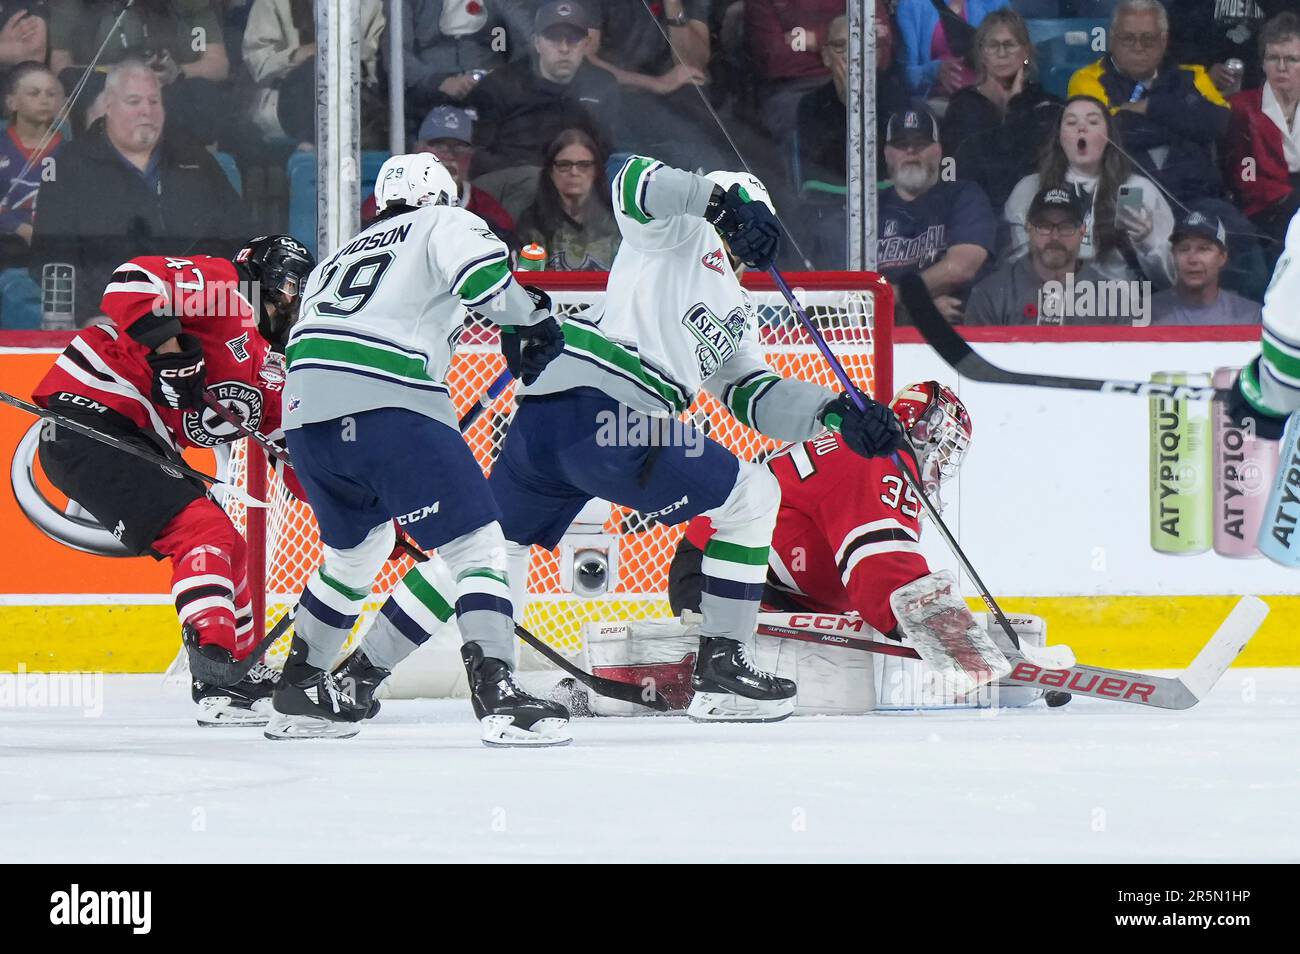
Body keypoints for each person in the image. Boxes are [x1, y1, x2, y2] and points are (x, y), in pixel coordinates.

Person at [488, 156, 906, 724]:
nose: (741, 251)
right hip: (618, 409)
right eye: (743, 230)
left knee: (489, 540)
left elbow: (753, 395)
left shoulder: (735, 308)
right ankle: (723, 670)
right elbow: (632, 178)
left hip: (562, 415)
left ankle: (395, 671)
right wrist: (724, 206)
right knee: (754, 497)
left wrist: (835, 414)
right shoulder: (676, 229)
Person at [268, 153, 570, 745]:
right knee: (479, 544)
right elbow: (484, 283)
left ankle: (300, 692)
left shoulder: (337, 257)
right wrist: (531, 317)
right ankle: (499, 697)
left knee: (356, 554)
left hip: (306, 414)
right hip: (389, 401)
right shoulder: (445, 223)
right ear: (444, 195)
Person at [30, 235, 316, 726]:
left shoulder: (273, 369)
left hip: (137, 440)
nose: (296, 302)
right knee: (202, 532)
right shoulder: (232, 288)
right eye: (294, 287)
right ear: (273, 279)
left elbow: (292, 455)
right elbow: (131, 281)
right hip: (91, 416)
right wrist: (169, 347)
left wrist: (363, 520)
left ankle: (242, 669)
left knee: (228, 543)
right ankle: (216, 677)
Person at [28, 61, 247, 325]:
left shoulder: (194, 159)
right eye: (133, 102)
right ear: (109, 106)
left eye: (154, 102)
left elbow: (237, 237)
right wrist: (88, 315)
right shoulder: (70, 165)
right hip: (108, 320)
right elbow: (52, 257)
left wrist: (214, 303)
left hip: (194, 317)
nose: (146, 111)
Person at [468, 0, 620, 222]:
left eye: (574, 39)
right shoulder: (501, 84)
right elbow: (477, 154)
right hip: (510, 181)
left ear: (586, 43)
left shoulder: (602, 85)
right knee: (533, 184)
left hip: (576, 180)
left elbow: (608, 150)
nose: (564, 48)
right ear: (537, 42)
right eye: (553, 38)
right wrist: (541, 175)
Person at [1066, 0, 1230, 205]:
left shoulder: (1193, 75)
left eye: (1148, 39)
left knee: (1239, 233)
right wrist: (1184, 122)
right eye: (1128, 38)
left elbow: (1220, 123)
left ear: (1163, 40)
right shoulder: (1087, 79)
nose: (1138, 47)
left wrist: (1149, 107)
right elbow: (1107, 133)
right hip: (1123, 193)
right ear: (1112, 38)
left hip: (1196, 195)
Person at [1004, 95, 1176, 289]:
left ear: (1109, 136)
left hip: (1118, 305)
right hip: (1050, 300)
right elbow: (1016, 270)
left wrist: (1147, 242)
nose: (1082, 128)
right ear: (1059, 138)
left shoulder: (1138, 190)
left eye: (1093, 121)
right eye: (1071, 122)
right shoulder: (1030, 188)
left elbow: (1171, 281)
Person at [49, 0, 234, 146]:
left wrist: (178, 71)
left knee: (200, 94)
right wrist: (120, 74)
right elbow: (60, 65)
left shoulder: (187, 6)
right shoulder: (75, 6)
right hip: (100, 84)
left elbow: (218, 65)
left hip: (169, 89)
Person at [876, 107, 998, 320]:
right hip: (883, 336)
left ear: (939, 151)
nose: (911, 151)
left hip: (955, 332)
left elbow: (961, 267)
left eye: (921, 143)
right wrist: (919, 306)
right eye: (901, 144)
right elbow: (855, 293)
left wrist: (892, 298)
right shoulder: (870, 206)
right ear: (887, 154)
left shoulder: (964, 195)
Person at [584, 0, 729, 169]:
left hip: (674, 98)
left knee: (702, 153)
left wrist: (673, 5)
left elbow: (692, 62)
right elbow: (586, 59)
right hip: (616, 95)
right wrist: (656, 83)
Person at [943, 8, 1061, 212]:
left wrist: (1017, 105)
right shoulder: (963, 106)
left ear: (1025, 52)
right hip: (977, 210)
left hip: (1035, 211)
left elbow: (1032, 167)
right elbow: (967, 170)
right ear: (981, 53)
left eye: (1009, 45)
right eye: (993, 45)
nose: (1001, 53)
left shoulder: (1045, 105)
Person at [361, 105, 517, 249]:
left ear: (471, 155)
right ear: (418, 150)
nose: (449, 154)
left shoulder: (489, 211)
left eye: (460, 146)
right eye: (439, 145)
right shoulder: (385, 202)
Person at [243, 0, 385, 146]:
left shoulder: (367, 4)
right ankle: (311, 145)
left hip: (352, 99)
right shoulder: (272, 3)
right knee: (315, 69)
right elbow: (259, 64)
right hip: (286, 98)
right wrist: (298, 55)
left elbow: (372, 67)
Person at [966, 187, 1115, 325]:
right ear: (1028, 229)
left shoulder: (1113, 298)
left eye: (1066, 226)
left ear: (1082, 233)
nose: (1055, 236)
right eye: (1044, 226)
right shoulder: (991, 294)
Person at [1225, 12, 1300, 249]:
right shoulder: (1241, 108)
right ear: (1262, 63)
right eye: (1273, 58)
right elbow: (1245, 174)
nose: (1281, 68)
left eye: (1291, 59)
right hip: (1267, 207)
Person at [516, 128, 620, 271]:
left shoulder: (618, 223)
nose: (574, 172)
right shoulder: (532, 224)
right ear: (551, 172)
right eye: (564, 165)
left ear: (596, 171)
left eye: (584, 165)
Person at [744, 0, 846, 142]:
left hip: (858, 83)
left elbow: (881, 50)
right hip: (792, 90)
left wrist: (817, 39)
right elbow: (775, 59)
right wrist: (839, 48)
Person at [399, 0, 510, 118]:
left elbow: (524, 38)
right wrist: (439, 82)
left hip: (492, 90)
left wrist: (500, 75)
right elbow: (396, 52)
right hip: (428, 96)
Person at [1150, 211, 1262, 326]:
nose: (1192, 259)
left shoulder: (1249, 316)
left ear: (1222, 257)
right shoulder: (1147, 314)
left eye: (1203, 249)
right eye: (1183, 249)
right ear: (1173, 256)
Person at [895, 0, 1010, 98]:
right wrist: (933, 72)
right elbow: (905, 76)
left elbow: (1017, 59)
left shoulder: (995, 4)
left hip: (987, 99)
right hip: (938, 104)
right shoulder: (911, 5)